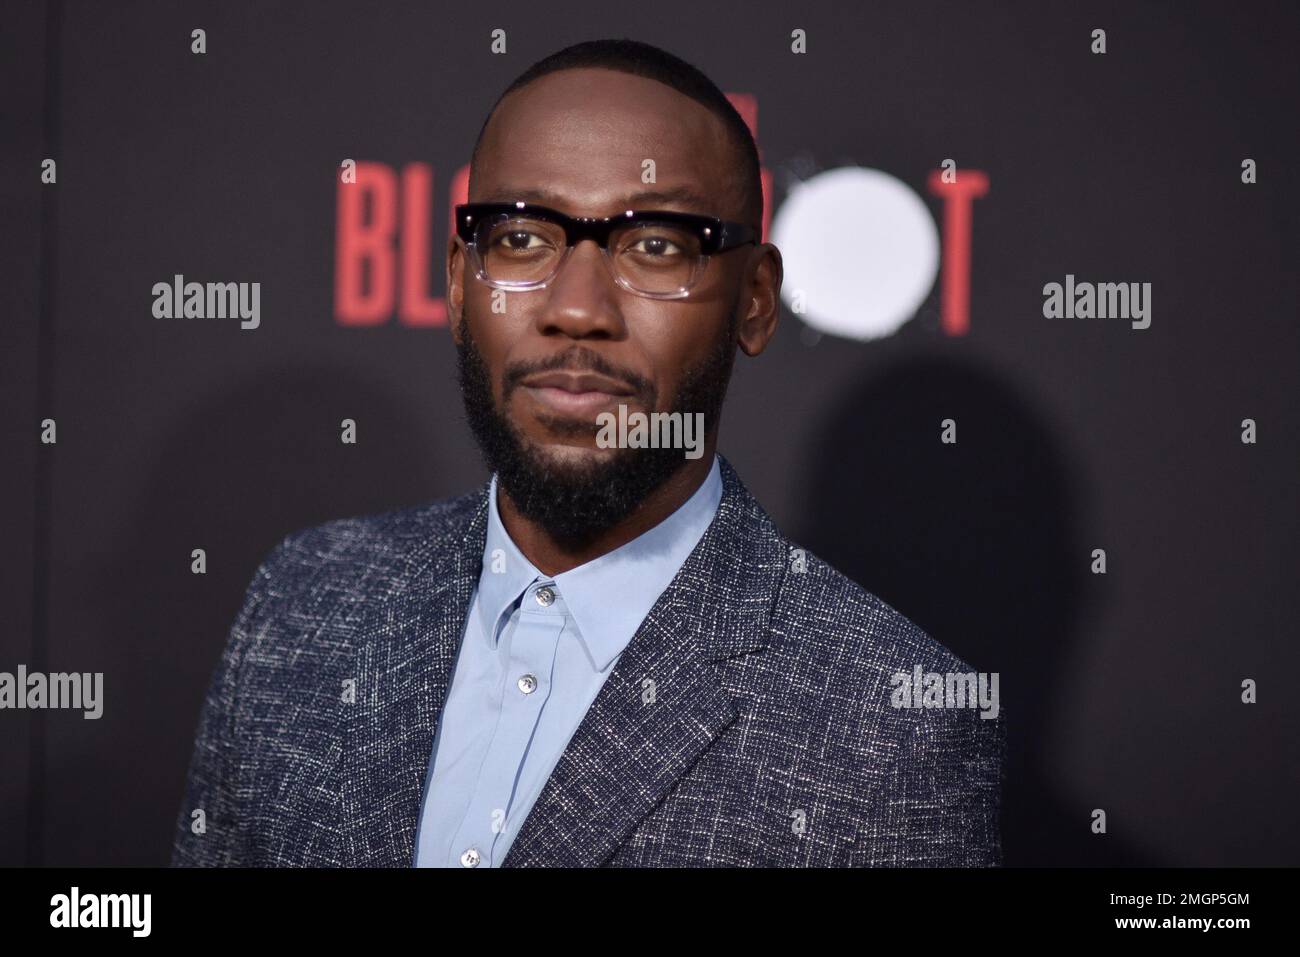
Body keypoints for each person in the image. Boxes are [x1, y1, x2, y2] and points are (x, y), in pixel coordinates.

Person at [171, 37, 1003, 868]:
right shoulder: (304, 603)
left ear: (754, 301)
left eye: (655, 246)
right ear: (460, 285)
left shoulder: (887, 726)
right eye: (524, 238)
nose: (576, 309)